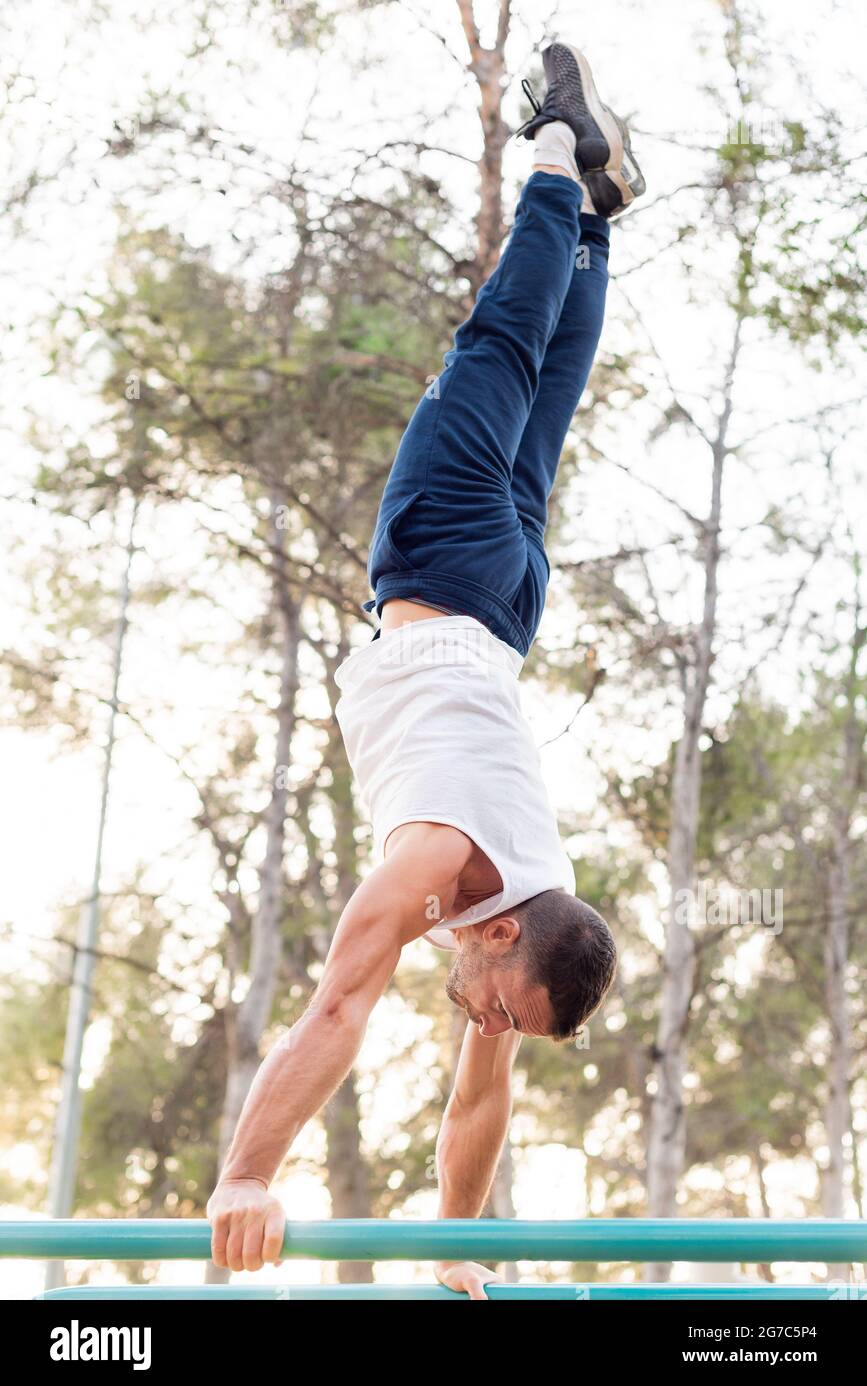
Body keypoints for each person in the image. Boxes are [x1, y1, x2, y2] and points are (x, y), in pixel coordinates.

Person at [207, 41, 645, 1299]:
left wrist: (460, 1244)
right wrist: (250, 1169)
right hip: (447, 571)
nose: (487, 1022)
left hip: (507, 612)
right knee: (500, 353)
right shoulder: (437, 865)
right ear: (505, 935)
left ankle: (599, 224)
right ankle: (562, 152)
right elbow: (339, 1006)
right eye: (504, 1005)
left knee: (543, 413)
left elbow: (475, 1112)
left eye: (508, 1021)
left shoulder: (533, 903)